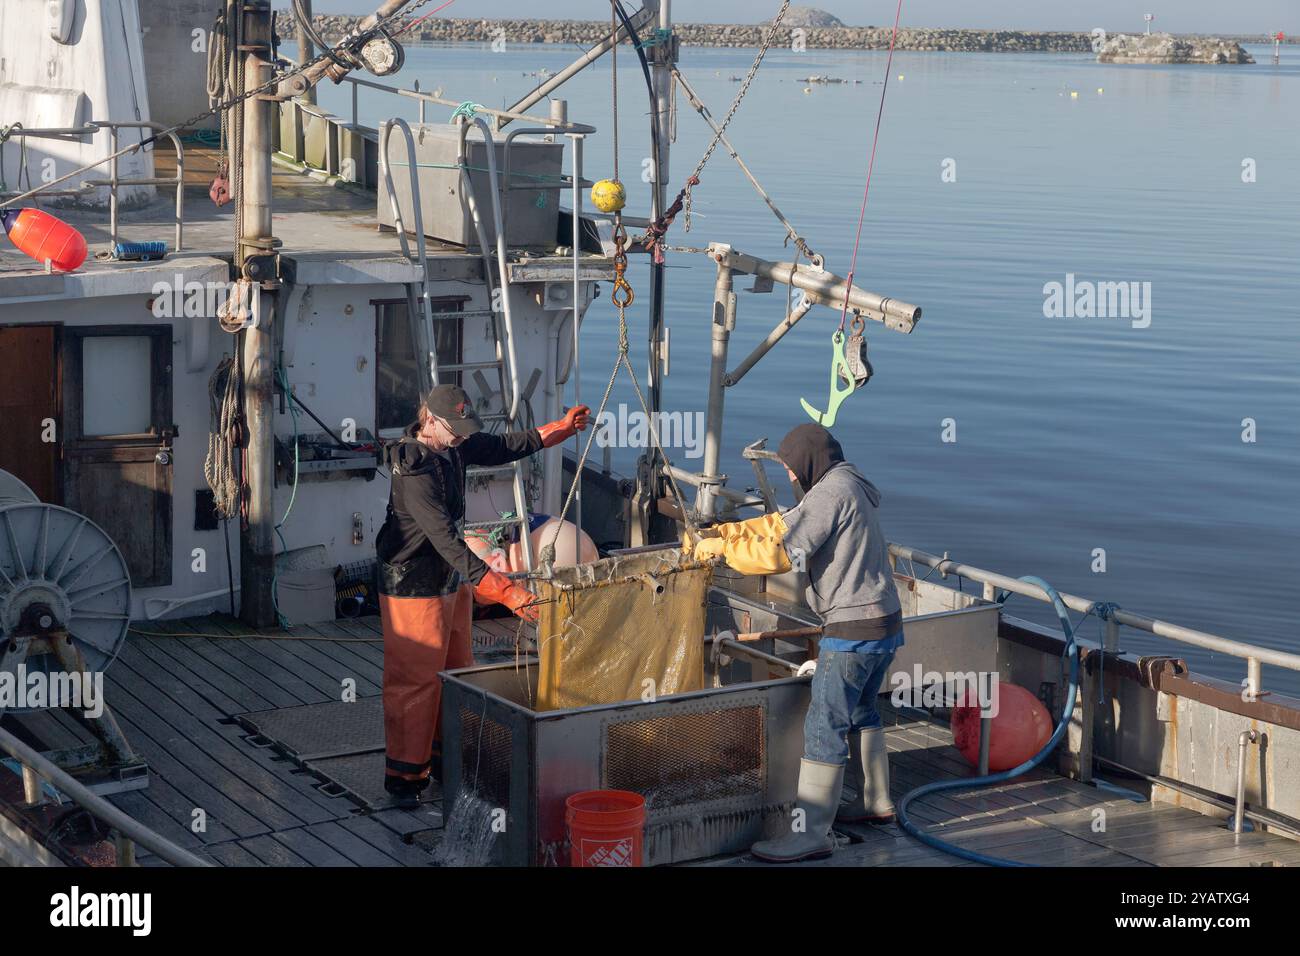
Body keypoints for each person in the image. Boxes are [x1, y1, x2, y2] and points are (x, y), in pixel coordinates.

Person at [692, 422, 901, 862]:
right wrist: (729, 533)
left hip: (852, 629)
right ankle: (874, 801)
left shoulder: (828, 494)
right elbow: (781, 522)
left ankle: (810, 833)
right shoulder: (847, 481)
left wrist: (722, 553)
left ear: (808, 462)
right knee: (862, 710)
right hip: (885, 622)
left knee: (824, 725)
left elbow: (782, 552)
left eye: (790, 469)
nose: (789, 477)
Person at [376, 383, 590, 807]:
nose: (461, 435)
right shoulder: (414, 471)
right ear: (430, 421)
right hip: (412, 582)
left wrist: (560, 430)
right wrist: (508, 592)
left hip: (448, 577)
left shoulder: (454, 446)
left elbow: (504, 446)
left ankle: (442, 761)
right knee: (414, 682)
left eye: (464, 428)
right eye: (454, 428)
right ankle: (404, 780)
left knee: (457, 670)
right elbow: (448, 542)